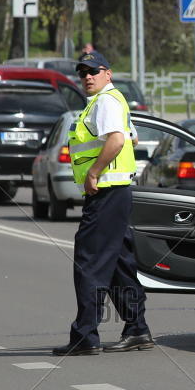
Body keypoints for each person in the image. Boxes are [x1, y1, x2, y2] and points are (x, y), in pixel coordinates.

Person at [52, 51, 154, 356]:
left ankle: (85, 335)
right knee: (120, 264)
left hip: (106, 192)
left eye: (93, 71)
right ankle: (137, 329)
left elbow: (118, 141)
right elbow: (131, 137)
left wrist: (94, 172)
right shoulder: (111, 101)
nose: (87, 77)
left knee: (89, 263)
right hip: (116, 193)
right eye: (82, 72)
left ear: (107, 73)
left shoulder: (106, 102)